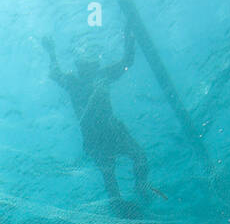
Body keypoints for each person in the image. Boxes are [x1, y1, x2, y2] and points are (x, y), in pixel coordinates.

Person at [42, 30, 159, 213]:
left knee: (134, 159)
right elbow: (55, 74)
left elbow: (127, 61)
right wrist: (50, 52)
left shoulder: (100, 74)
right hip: (97, 136)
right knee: (112, 174)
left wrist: (130, 35)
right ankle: (124, 206)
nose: (91, 65)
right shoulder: (75, 81)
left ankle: (139, 187)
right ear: (80, 66)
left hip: (107, 131)